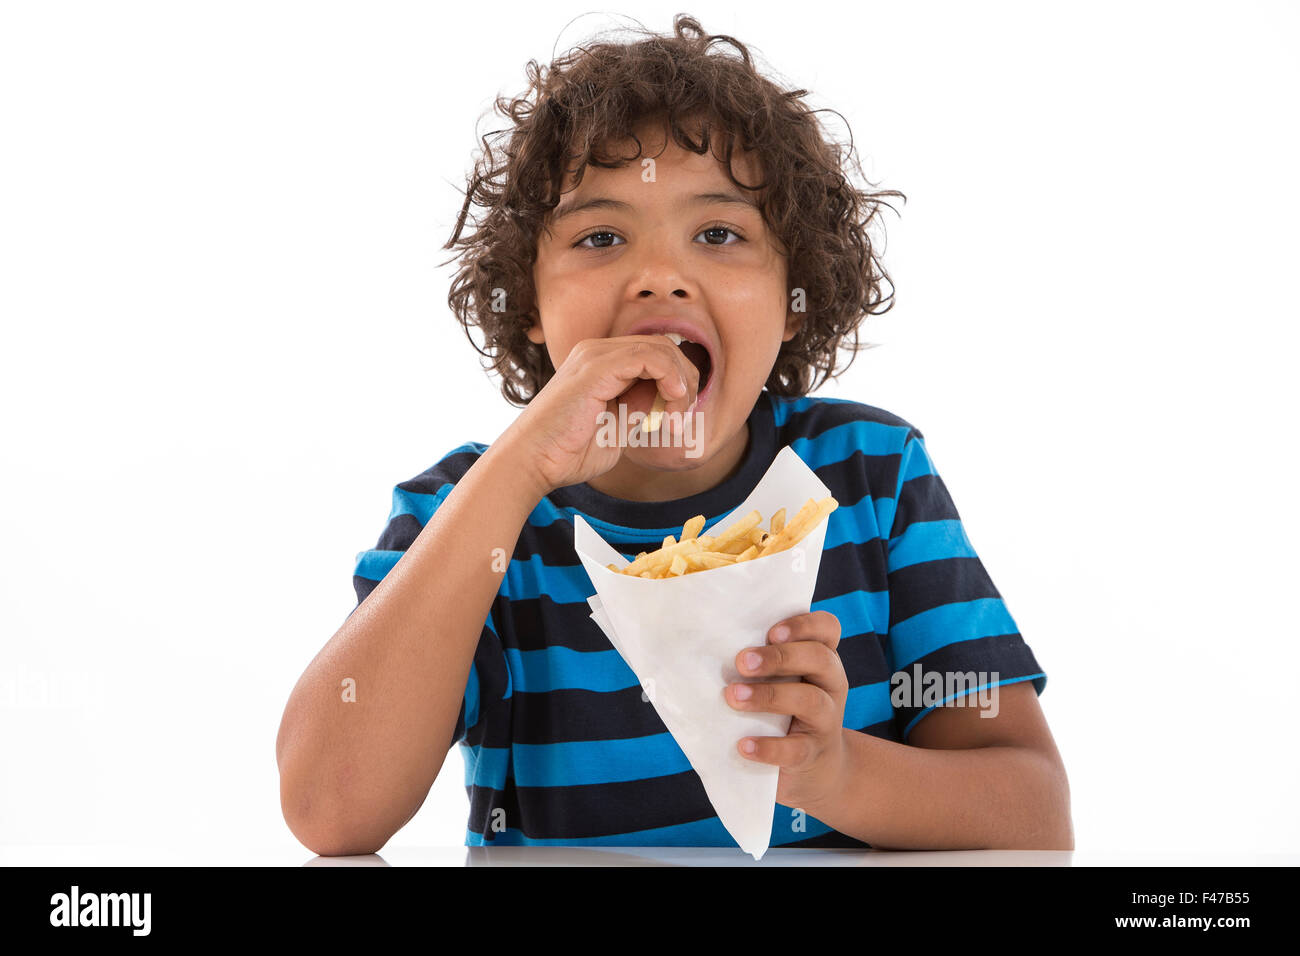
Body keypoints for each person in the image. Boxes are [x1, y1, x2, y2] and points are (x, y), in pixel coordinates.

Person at [275, 14, 1072, 855]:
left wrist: (832, 774)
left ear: (793, 294)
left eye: (720, 234)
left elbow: (1031, 812)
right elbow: (330, 809)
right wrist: (513, 475)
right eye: (602, 236)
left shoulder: (871, 478)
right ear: (532, 304)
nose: (659, 274)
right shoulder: (470, 512)